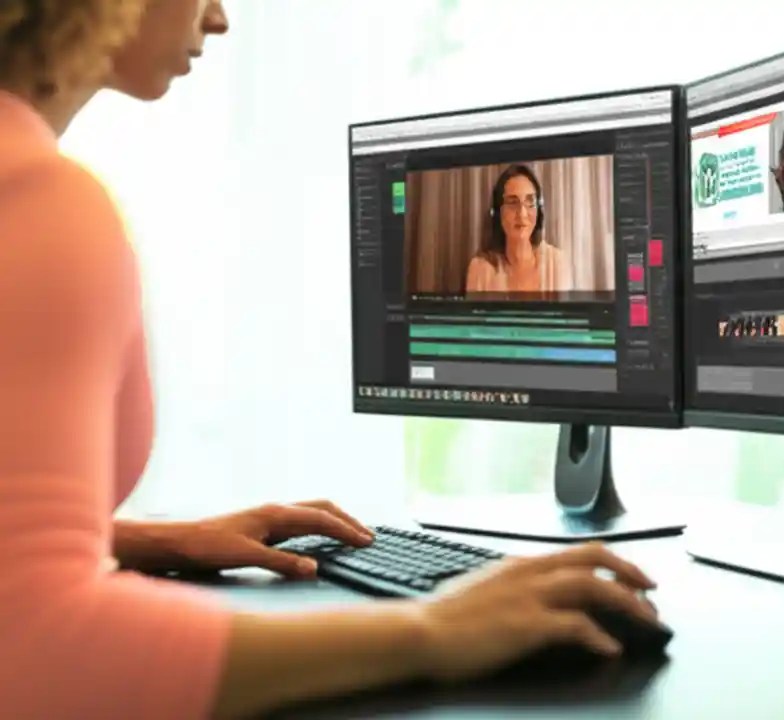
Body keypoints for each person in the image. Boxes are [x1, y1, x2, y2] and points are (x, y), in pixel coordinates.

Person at [0, 3, 661, 719]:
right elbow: (34, 644)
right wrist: (431, 629)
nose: (219, 18)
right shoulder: (37, 202)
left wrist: (155, 540)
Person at [465, 163, 570, 294]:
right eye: (512, 202)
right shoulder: (480, 270)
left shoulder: (556, 264)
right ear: (498, 212)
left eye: (530, 202)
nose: (522, 214)